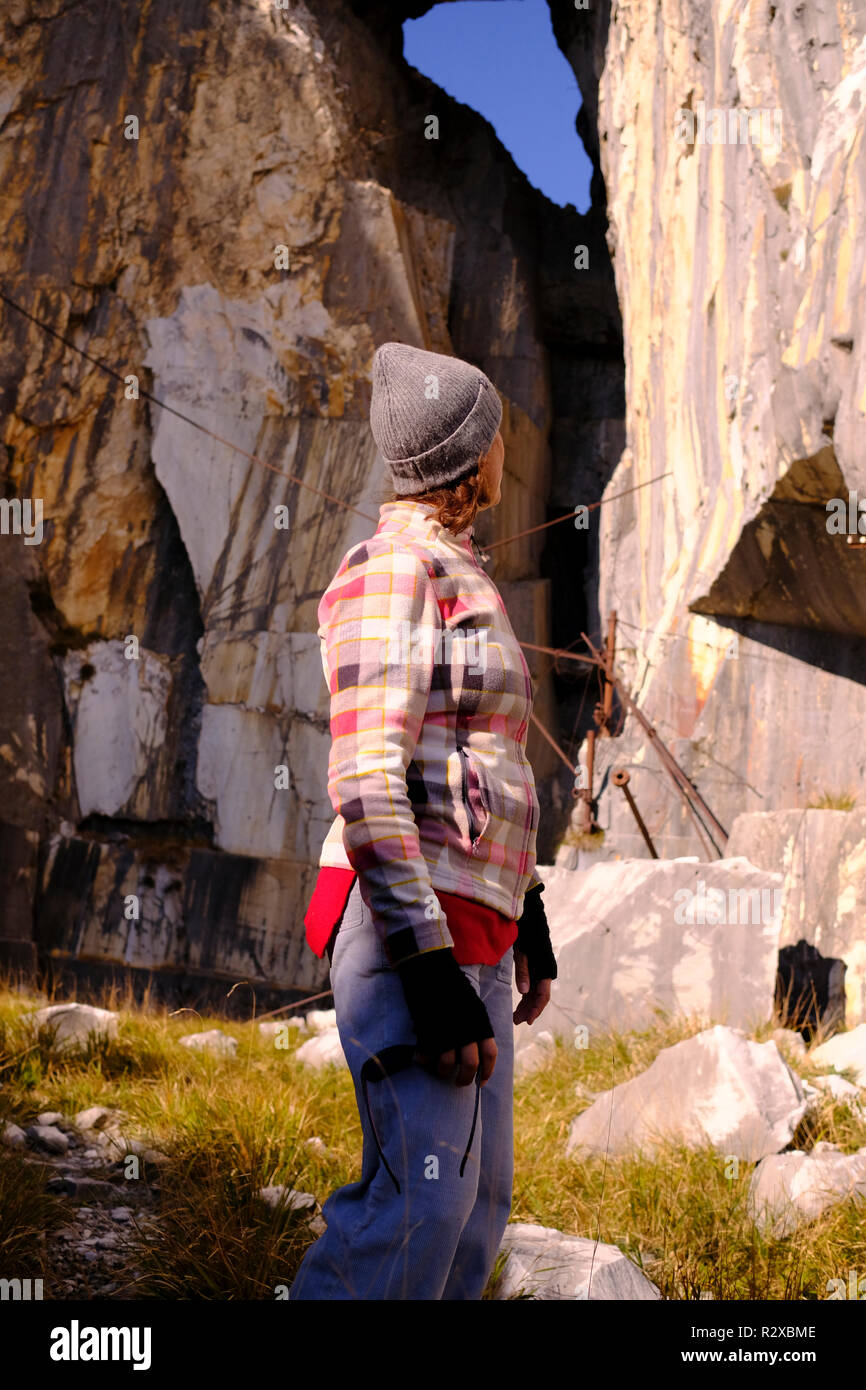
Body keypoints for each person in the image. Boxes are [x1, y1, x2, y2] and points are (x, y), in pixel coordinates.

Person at [288, 342, 557, 1301]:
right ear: (466, 455)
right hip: (411, 934)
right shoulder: (394, 568)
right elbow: (366, 777)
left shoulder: (455, 567)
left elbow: (479, 762)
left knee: (475, 1209)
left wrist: (524, 910)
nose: (504, 451)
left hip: (468, 924)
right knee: (416, 1214)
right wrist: (431, 974)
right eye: (493, 434)